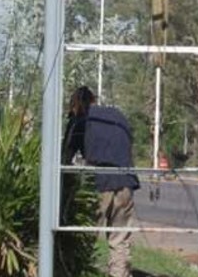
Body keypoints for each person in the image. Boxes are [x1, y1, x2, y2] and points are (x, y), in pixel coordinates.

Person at [62, 86, 139, 277]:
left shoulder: (80, 119)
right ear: (94, 99)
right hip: (126, 182)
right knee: (120, 240)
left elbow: (65, 158)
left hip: (98, 183)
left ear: (75, 105)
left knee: (86, 238)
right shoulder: (117, 115)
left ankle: (77, 272)